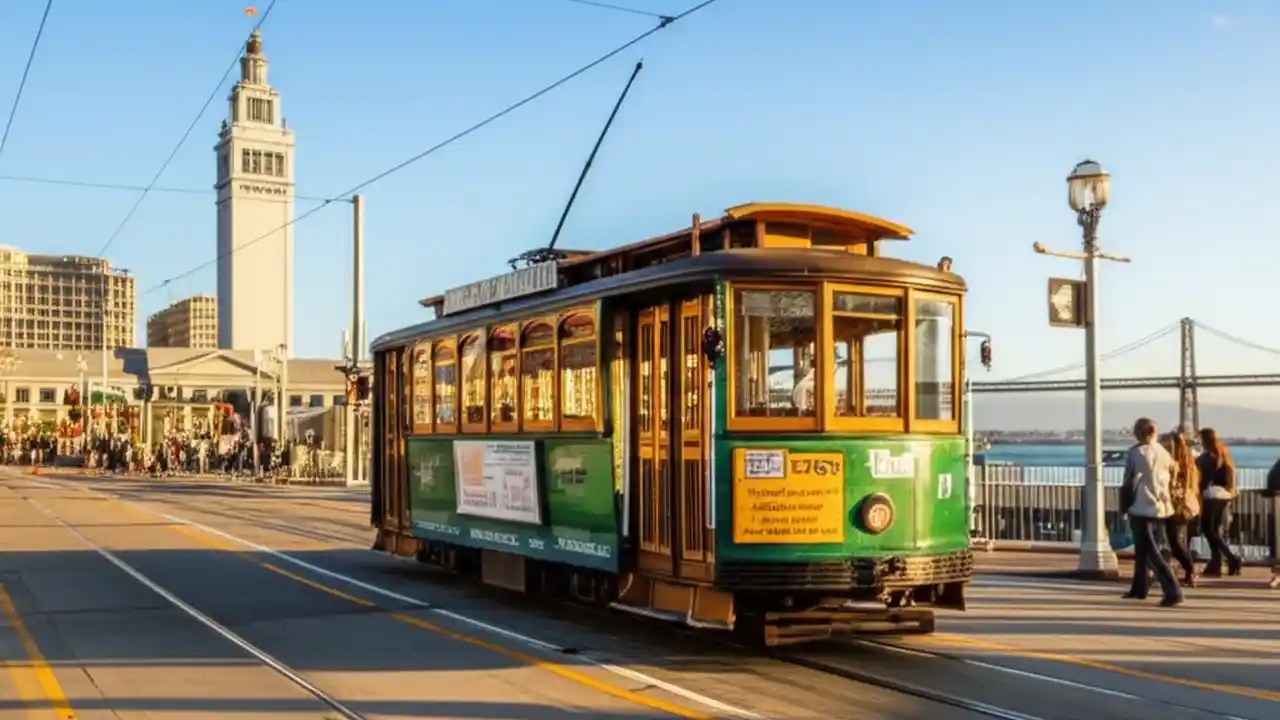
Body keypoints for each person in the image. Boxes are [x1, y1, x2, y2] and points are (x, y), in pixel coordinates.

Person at [1120, 417, 1182, 606]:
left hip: (1141, 504)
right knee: (1141, 547)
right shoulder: (1163, 452)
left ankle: (1172, 589)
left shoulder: (1135, 453)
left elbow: (1128, 482)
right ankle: (1139, 587)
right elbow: (1175, 470)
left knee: (1149, 549)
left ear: (1141, 432)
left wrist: (1124, 506)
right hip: (1161, 505)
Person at [1196, 427, 1242, 577]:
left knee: (1207, 529)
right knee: (1214, 530)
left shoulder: (1206, 458)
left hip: (1211, 495)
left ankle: (1231, 558)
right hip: (1224, 495)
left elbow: (1203, 479)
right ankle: (1216, 563)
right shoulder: (1224, 454)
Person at [1159, 432, 1201, 587]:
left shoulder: (1177, 464)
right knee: (1178, 541)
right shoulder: (1189, 462)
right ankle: (1188, 570)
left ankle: (1190, 570)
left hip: (1177, 506)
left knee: (1176, 542)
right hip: (1184, 506)